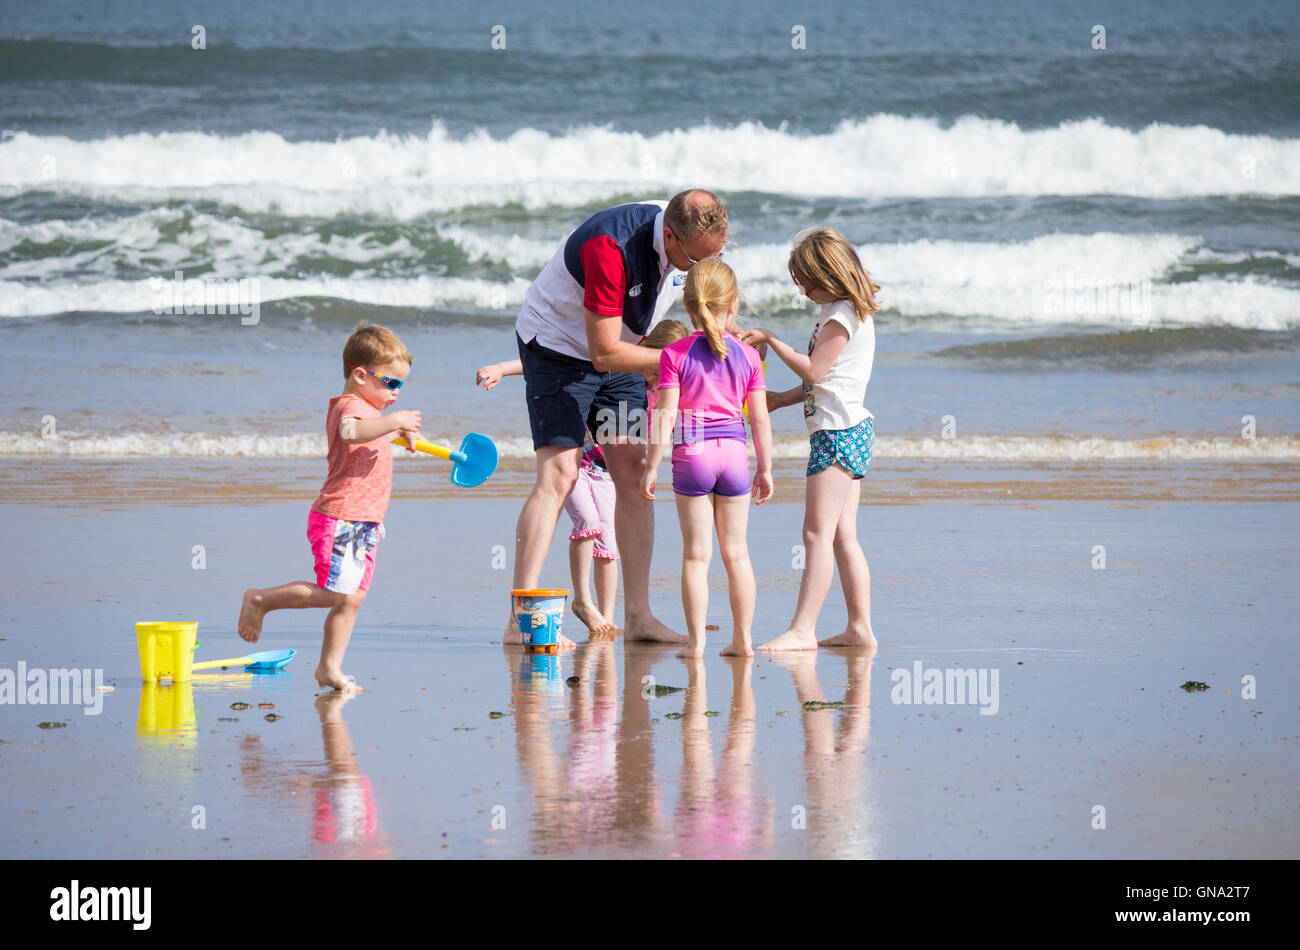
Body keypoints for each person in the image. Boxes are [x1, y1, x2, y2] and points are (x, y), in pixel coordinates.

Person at [509, 189, 729, 648]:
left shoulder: (689, 240)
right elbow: (602, 352)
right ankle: (520, 619)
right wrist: (678, 362)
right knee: (560, 472)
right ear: (669, 236)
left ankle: (639, 616)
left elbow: (699, 304)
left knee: (631, 471)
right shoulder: (610, 248)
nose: (697, 270)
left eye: (715, 256)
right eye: (693, 260)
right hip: (557, 348)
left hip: (625, 350)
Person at [476, 318, 690, 635]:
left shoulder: (663, 392)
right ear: (644, 350)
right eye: (657, 371)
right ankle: (578, 601)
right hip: (581, 463)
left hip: (605, 473)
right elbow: (547, 361)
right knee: (587, 524)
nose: (659, 381)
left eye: (666, 375)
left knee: (608, 545)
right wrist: (502, 368)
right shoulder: (618, 358)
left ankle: (608, 617)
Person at [237, 323, 422, 689]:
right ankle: (260, 599)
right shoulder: (349, 407)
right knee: (335, 592)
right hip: (341, 517)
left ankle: (329, 668)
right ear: (359, 375)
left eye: (402, 386)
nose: (396, 394)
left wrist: (402, 432)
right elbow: (351, 433)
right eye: (392, 383)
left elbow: (375, 431)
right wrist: (393, 422)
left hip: (366, 522)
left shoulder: (371, 413)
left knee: (352, 598)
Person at [740, 227, 881, 651]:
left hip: (837, 434)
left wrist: (769, 338)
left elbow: (815, 372)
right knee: (842, 535)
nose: (801, 289)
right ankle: (860, 628)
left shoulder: (840, 316)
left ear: (830, 275)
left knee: (816, 535)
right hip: (850, 427)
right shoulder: (847, 312)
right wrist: (779, 400)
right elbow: (832, 381)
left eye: (806, 281)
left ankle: (803, 630)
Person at [640, 260, 773, 658]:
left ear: (689, 307)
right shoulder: (748, 356)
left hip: (692, 454)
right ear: (731, 306)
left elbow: (664, 416)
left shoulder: (675, 354)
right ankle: (743, 641)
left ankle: (696, 645)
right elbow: (760, 419)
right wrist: (765, 468)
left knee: (696, 556)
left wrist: (651, 466)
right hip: (734, 455)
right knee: (737, 553)